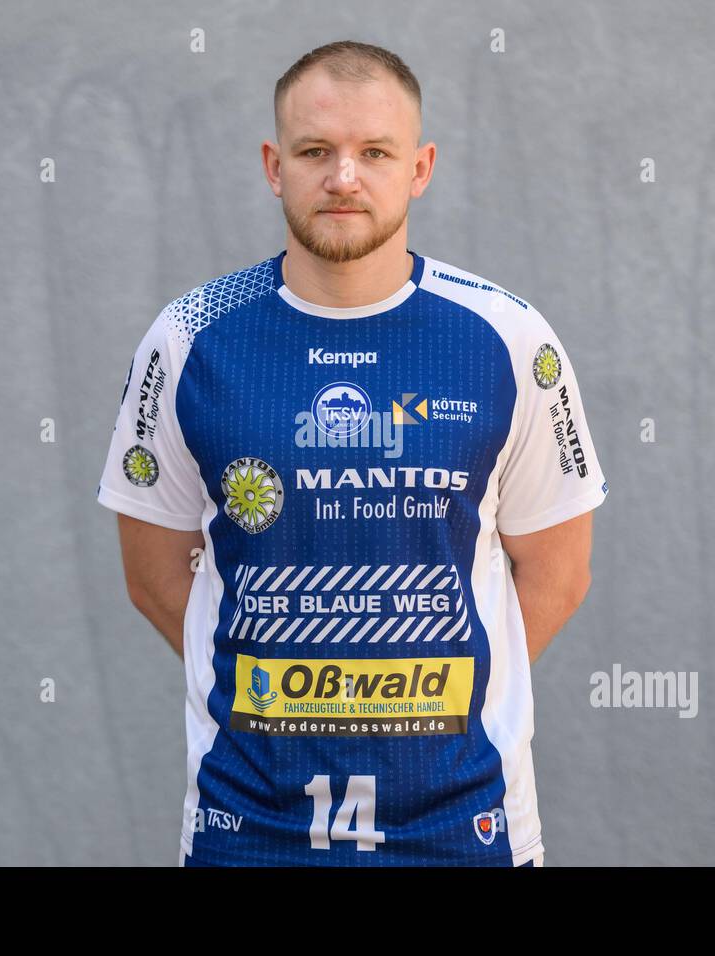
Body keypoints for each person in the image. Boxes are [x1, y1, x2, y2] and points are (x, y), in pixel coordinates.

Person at [95, 40, 608, 867]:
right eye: (314, 152)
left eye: (375, 153)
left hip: (462, 824)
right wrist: (283, 708)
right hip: (248, 827)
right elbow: (154, 577)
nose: (343, 178)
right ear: (274, 166)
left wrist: (433, 711)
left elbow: (559, 574)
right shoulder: (189, 338)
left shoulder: (509, 340)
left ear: (420, 168)